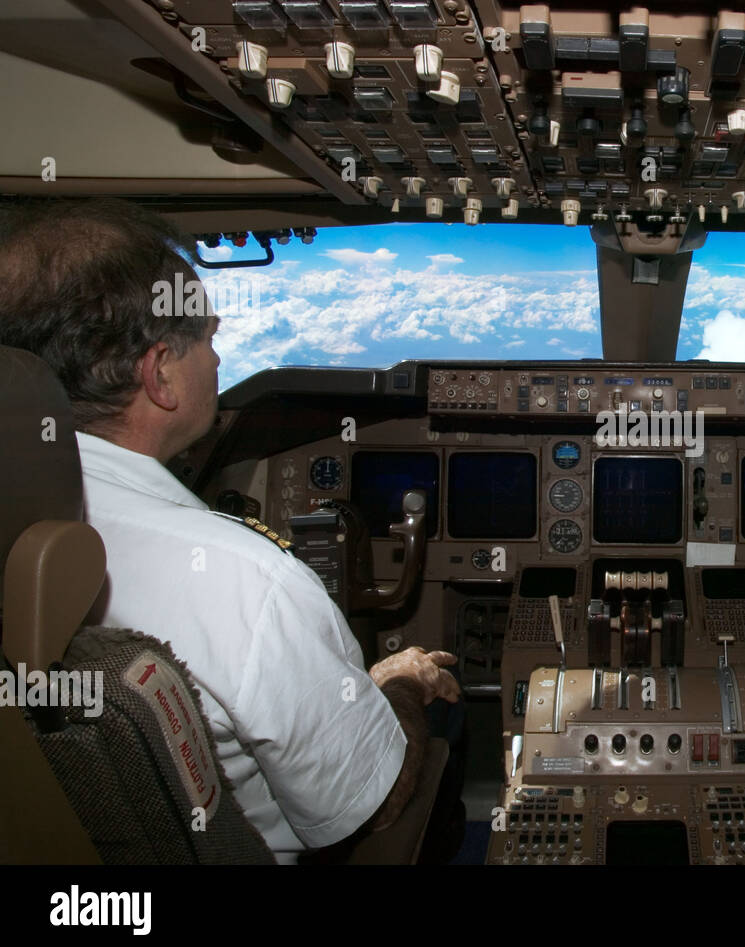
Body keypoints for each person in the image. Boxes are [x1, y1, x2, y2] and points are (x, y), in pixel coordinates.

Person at [0, 199, 462, 863]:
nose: (219, 361)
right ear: (159, 373)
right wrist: (398, 683)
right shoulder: (242, 579)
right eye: (211, 339)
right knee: (443, 713)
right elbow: (377, 801)